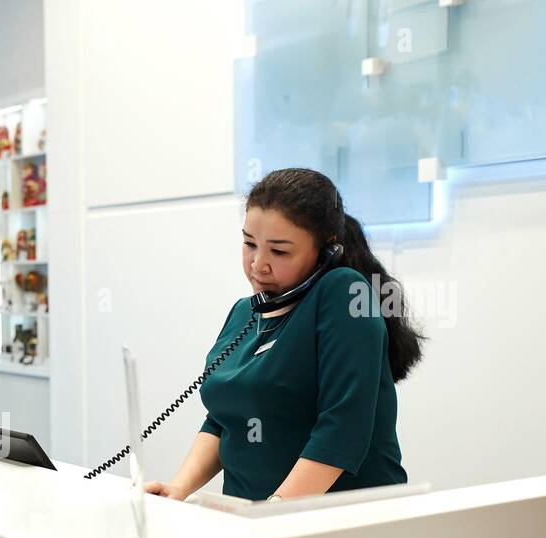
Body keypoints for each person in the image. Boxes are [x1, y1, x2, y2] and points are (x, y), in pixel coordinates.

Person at [146, 167, 424, 503]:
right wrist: (179, 488)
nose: (257, 264)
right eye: (250, 244)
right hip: (249, 519)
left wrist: (274, 512)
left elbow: (342, 429)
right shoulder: (244, 313)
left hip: (330, 524)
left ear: (326, 252)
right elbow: (223, 419)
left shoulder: (345, 293)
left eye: (279, 252)